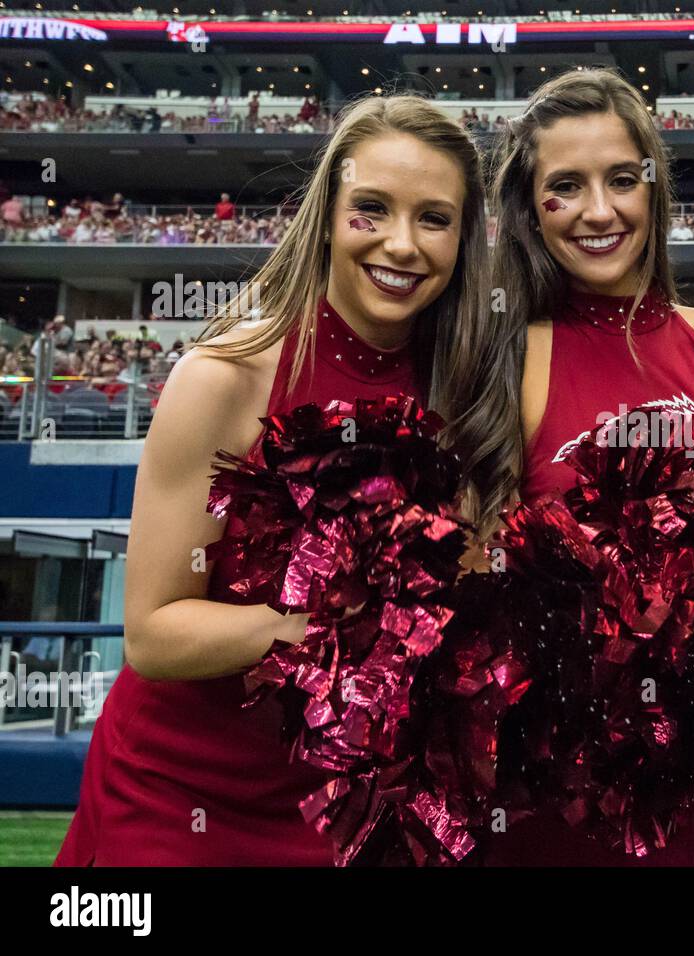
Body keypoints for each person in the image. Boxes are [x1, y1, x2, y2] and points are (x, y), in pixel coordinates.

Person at [55, 95, 512, 866]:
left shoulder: (468, 400)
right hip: (179, 800)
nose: (401, 245)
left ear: (464, 239)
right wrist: (334, 627)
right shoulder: (224, 378)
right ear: (327, 216)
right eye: (372, 209)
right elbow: (152, 633)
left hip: (354, 813)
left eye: (434, 218)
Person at [482, 66, 694, 866]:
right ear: (528, 207)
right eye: (565, 187)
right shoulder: (499, 358)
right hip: (541, 802)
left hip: (693, 797)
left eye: (622, 179)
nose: (599, 211)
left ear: (655, 190)